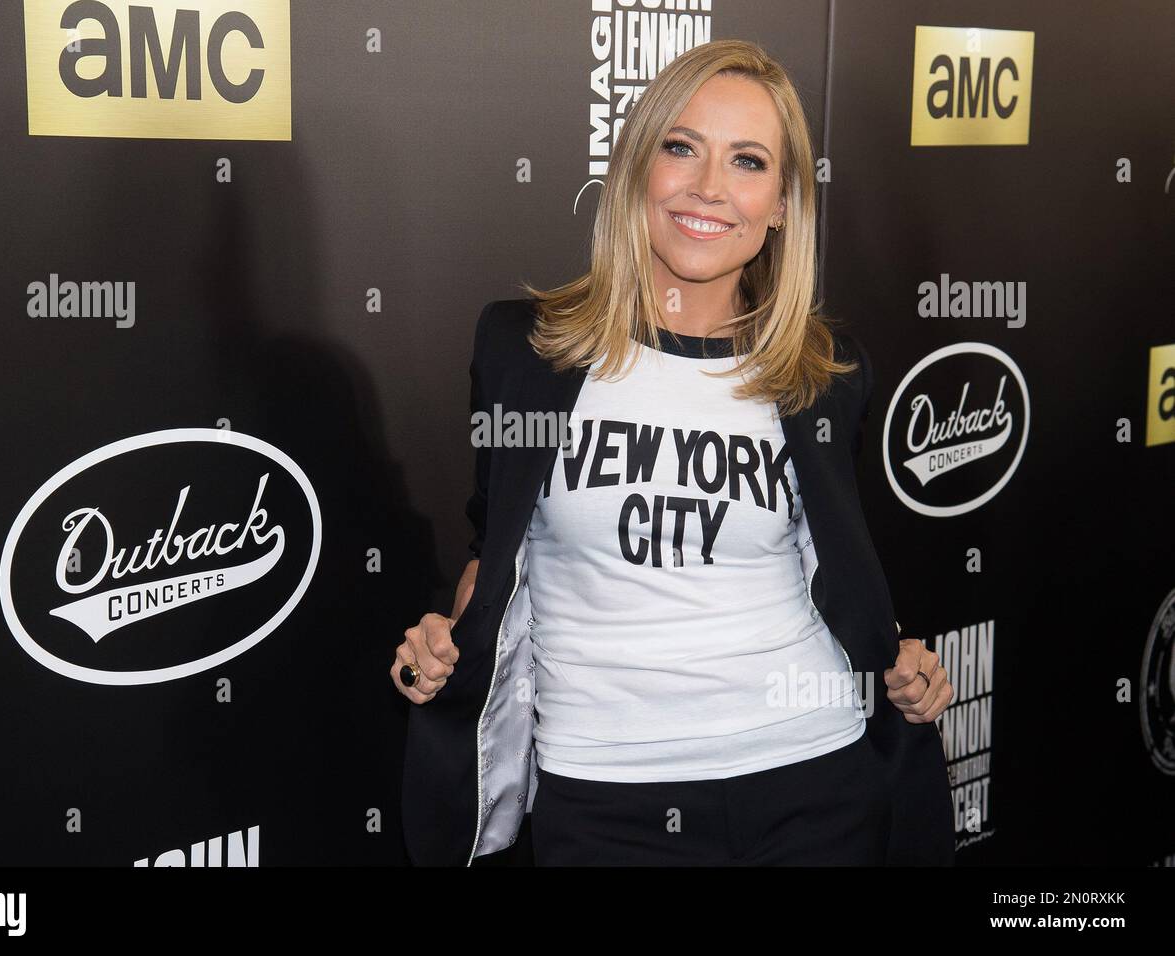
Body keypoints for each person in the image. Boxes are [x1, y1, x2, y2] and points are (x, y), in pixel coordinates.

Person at [392, 38, 956, 866]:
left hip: (816, 776)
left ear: (782, 207)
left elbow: (835, 561)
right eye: (682, 147)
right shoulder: (527, 352)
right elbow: (501, 552)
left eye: (749, 162)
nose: (708, 189)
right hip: (603, 792)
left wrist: (905, 656)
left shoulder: (823, 371)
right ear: (636, 169)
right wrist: (443, 640)